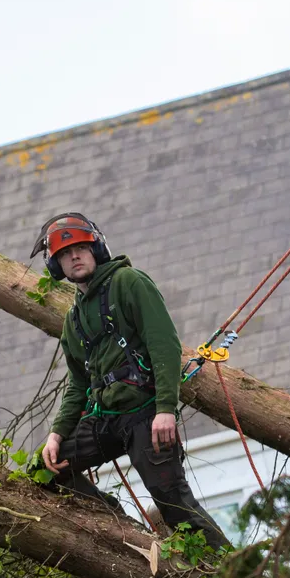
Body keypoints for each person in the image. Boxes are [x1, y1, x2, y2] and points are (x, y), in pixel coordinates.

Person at [30, 212, 231, 551]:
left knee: (175, 507)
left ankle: (237, 574)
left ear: (96, 249)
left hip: (146, 415)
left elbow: (164, 345)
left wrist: (165, 409)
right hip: (105, 418)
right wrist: (56, 434)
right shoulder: (73, 319)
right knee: (45, 469)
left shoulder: (129, 283)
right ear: (56, 265)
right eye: (65, 254)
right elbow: (78, 384)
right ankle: (121, 530)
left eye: (80, 248)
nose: (74, 257)